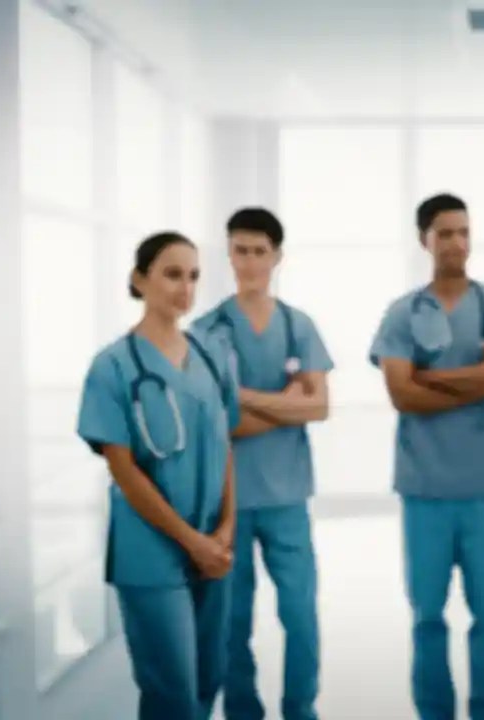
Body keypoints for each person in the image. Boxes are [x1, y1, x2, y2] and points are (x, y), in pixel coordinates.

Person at [368, 193, 484, 720]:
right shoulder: (402, 313)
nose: (457, 243)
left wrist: (431, 375)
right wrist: (476, 380)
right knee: (427, 617)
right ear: (425, 240)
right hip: (425, 490)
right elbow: (401, 394)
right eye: (445, 233)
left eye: (464, 231)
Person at [77, 231, 239, 719]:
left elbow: (224, 445)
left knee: (209, 680)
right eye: (171, 274)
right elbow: (125, 474)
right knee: (172, 693)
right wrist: (194, 542)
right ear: (138, 279)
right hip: (151, 552)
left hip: (214, 544)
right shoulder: (112, 367)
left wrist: (226, 530)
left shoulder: (213, 357)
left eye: (192, 276)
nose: (184, 287)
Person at [192, 208, 333, 720]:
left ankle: (301, 710)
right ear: (228, 254)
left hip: (287, 496)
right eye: (239, 250)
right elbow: (215, 422)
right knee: (232, 621)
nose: (248, 262)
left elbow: (319, 406)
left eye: (259, 251)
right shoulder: (206, 330)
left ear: (277, 257)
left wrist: (242, 399)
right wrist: (284, 401)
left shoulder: (299, 326)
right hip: (228, 500)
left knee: (300, 614)